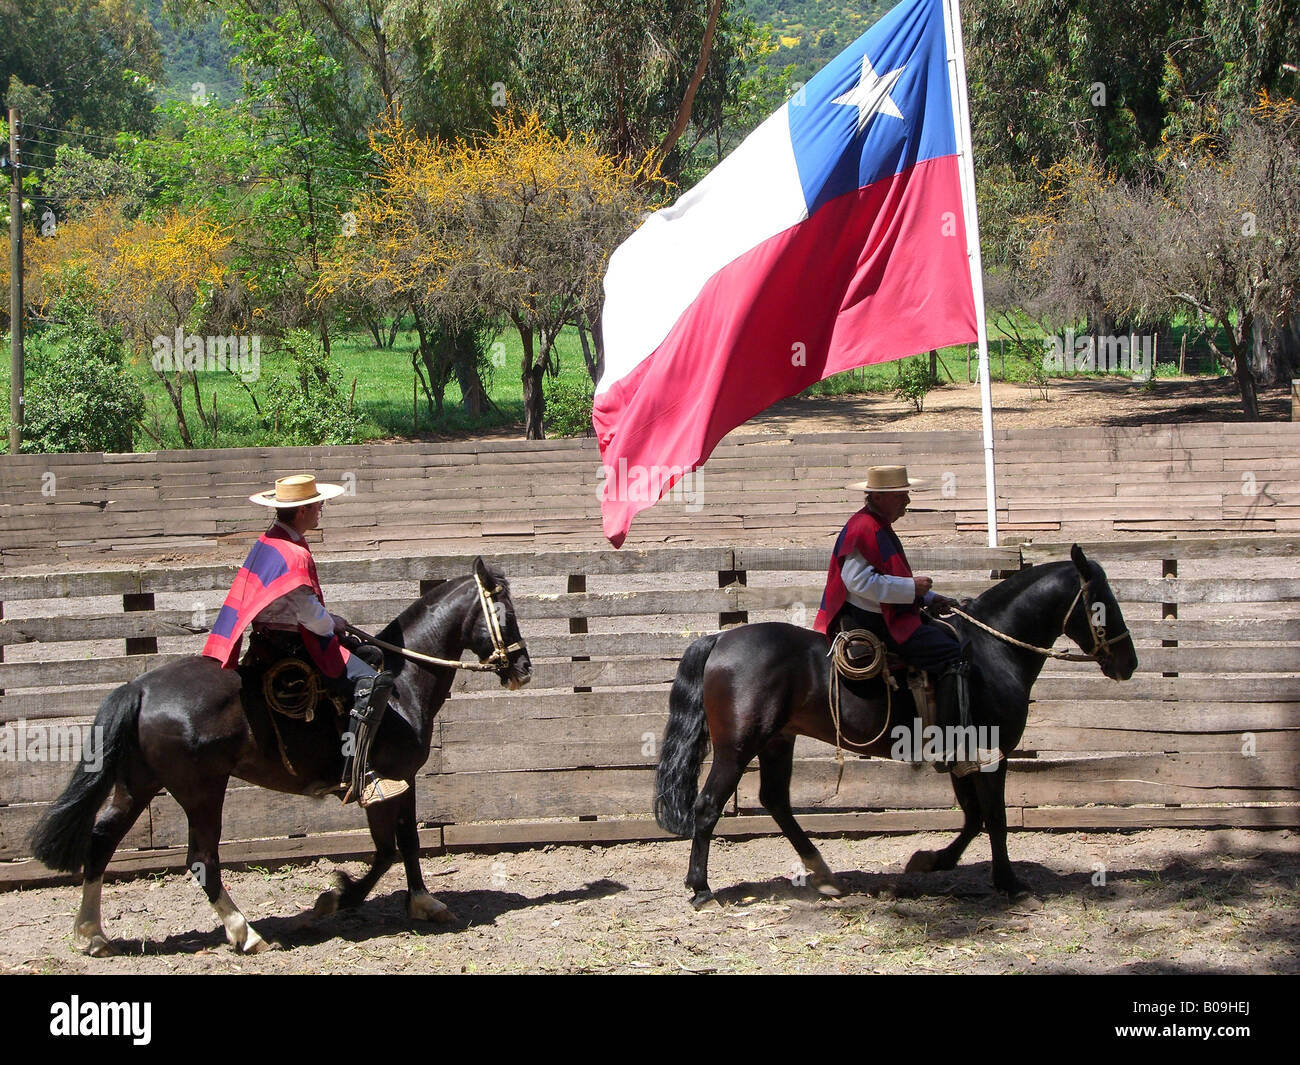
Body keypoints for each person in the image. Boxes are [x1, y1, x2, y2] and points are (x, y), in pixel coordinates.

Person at [201, 473, 408, 806]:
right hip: (293, 643)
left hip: (271, 637)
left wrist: (330, 621)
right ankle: (354, 774)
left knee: (367, 654)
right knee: (371, 681)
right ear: (301, 512)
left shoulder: (271, 540)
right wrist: (333, 624)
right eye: (316, 506)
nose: (320, 510)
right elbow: (306, 613)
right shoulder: (292, 552)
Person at [812, 464, 971, 770]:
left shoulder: (875, 525)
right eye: (901, 494)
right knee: (953, 654)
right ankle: (951, 744)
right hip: (876, 621)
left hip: (887, 611)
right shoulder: (864, 529)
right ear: (880, 497)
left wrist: (927, 597)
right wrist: (913, 589)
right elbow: (859, 582)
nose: (907, 501)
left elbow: (887, 577)